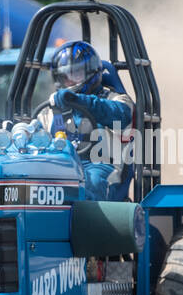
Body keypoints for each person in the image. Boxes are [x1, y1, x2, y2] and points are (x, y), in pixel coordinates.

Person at [43, 41, 135, 201]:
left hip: (103, 168)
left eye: (76, 73)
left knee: (91, 182)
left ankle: (85, 224)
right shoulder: (52, 109)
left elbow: (121, 115)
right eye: (65, 76)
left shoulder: (116, 100)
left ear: (91, 72)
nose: (70, 81)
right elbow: (33, 131)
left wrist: (79, 101)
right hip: (62, 168)